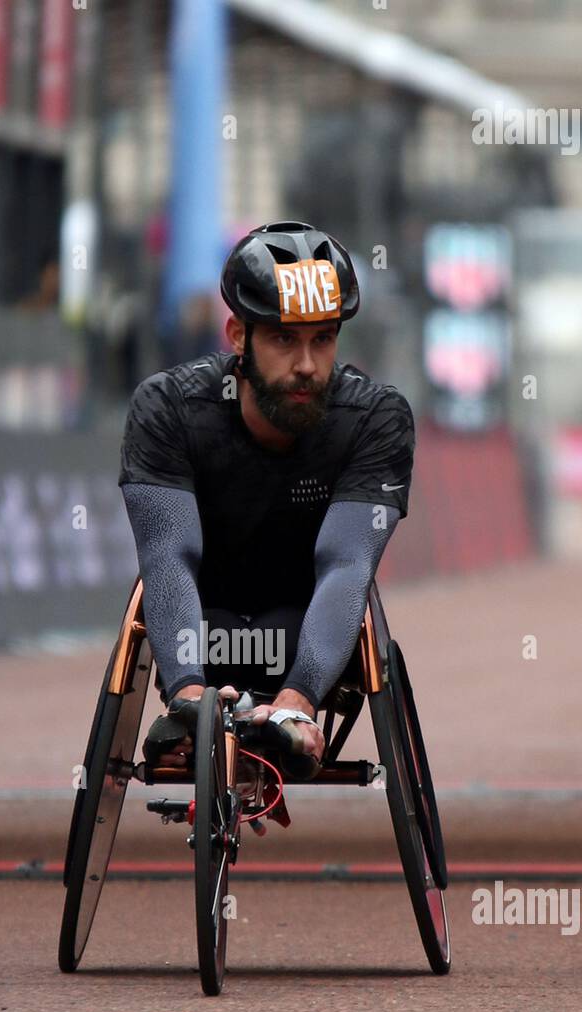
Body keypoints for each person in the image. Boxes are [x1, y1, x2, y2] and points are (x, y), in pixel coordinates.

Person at [118, 221, 414, 781]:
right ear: (237, 335)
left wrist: (299, 697)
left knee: (341, 579)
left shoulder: (377, 419)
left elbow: (348, 565)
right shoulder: (166, 408)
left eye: (322, 339)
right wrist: (187, 693)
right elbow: (168, 557)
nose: (306, 364)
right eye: (284, 339)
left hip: (312, 629)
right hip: (202, 627)